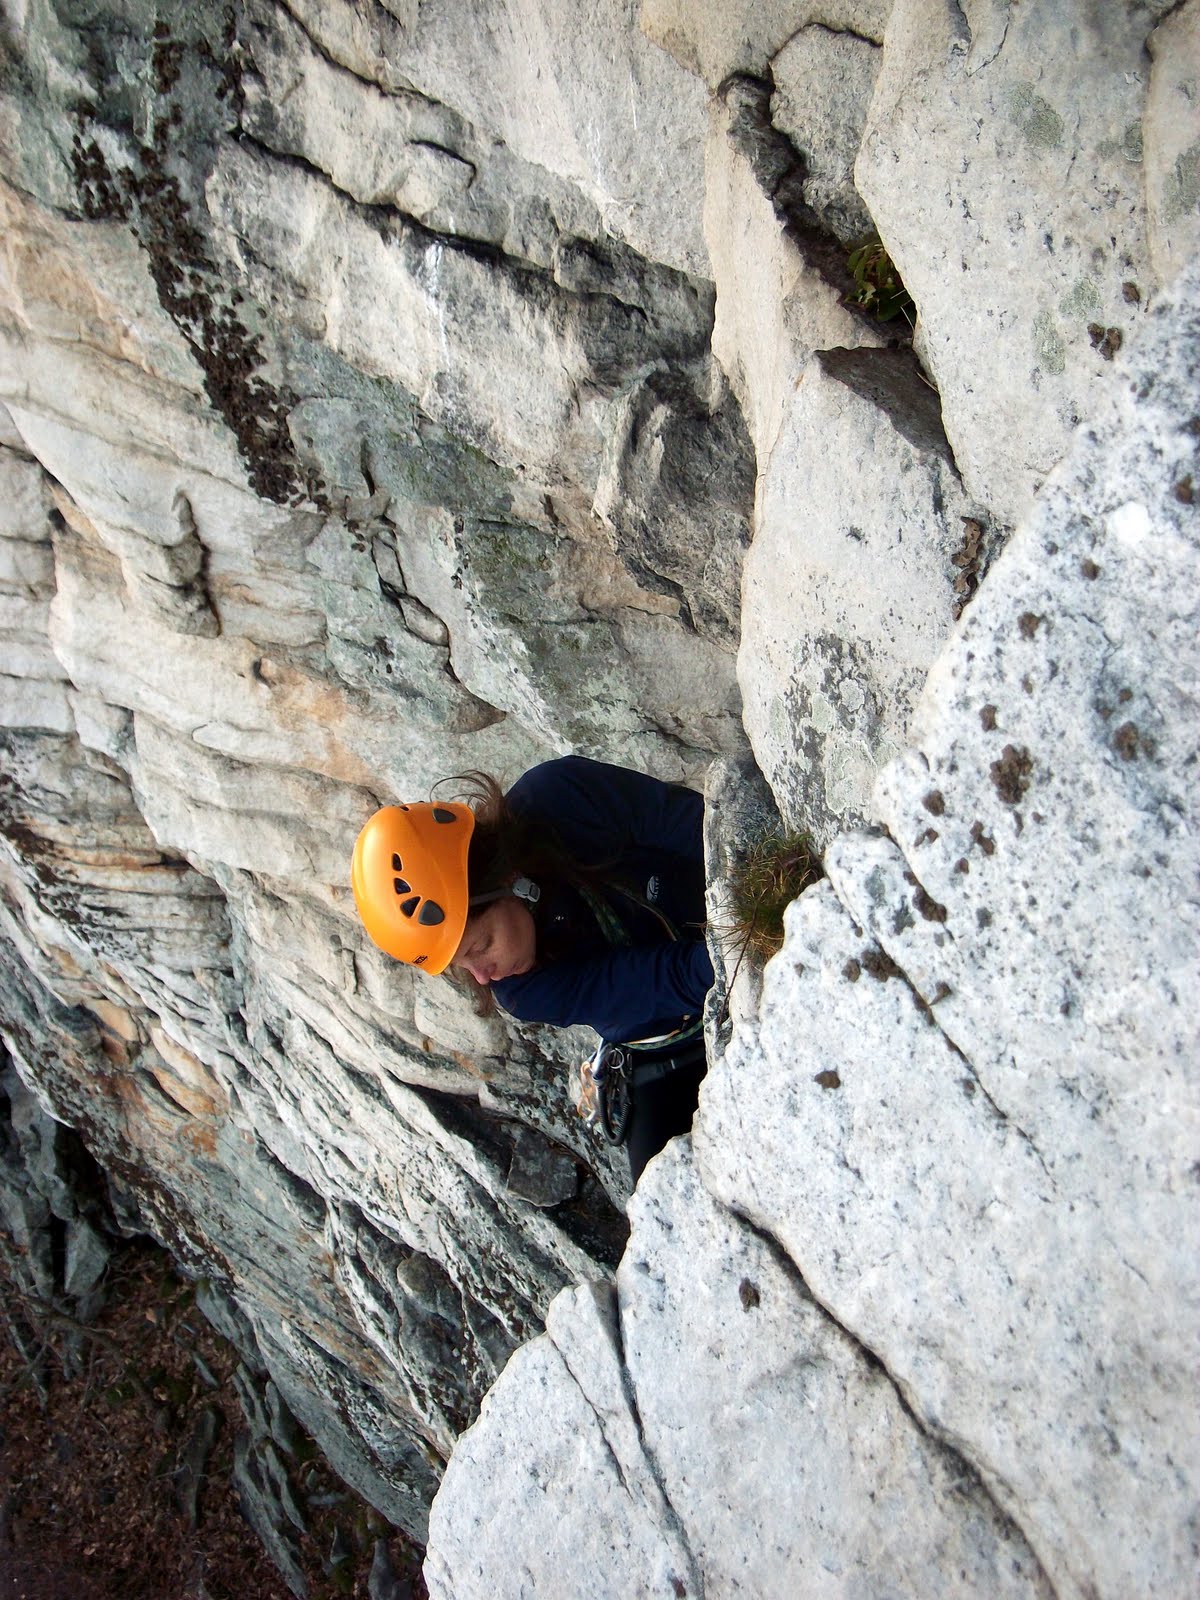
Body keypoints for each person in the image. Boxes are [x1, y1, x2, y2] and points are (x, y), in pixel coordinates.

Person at [351, 755, 713, 1184]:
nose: (484, 977)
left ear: (508, 879)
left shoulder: (560, 796)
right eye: (462, 965)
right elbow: (671, 978)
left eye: (480, 946)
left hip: (716, 898)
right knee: (666, 1194)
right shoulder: (524, 990)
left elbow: (703, 827)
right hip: (666, 1048)